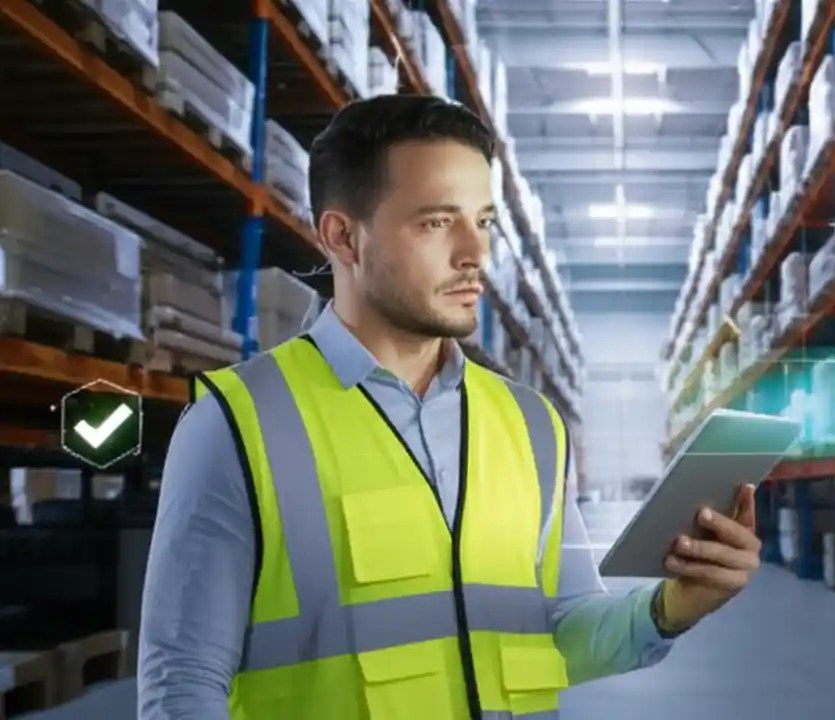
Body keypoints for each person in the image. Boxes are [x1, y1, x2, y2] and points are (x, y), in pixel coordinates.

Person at [137, 95, 763, 719]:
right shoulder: (238, 423)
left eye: (484, 222)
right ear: (343, 238)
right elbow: (182, 688)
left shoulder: (531, 425)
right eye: (437, 222)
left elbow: (557, 633)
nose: (475, 253)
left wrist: (672, 607)